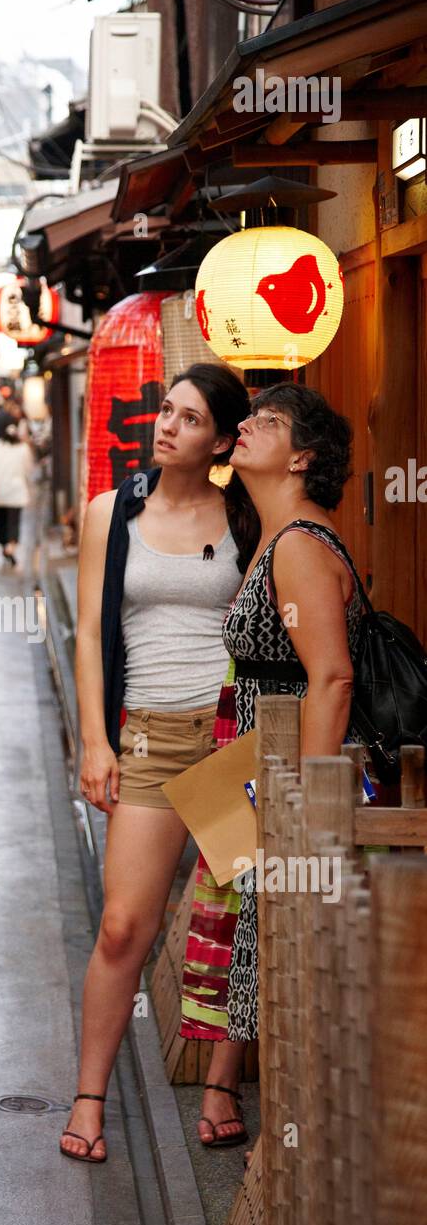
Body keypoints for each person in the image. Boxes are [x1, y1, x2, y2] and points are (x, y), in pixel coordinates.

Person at [60, 363, 257, 1163]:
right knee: (120, 927)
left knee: (235, 920)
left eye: (188, 416)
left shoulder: (247, 518)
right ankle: (87, 1097)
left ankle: (219, 1084)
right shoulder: (112, 512)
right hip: (141, 736)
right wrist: (94, 740)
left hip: (227, 740)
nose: (167, 424)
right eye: (165, 410)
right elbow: (84, 634)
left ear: (219, 439)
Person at [188, 382, 362, 1146]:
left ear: (302, 457)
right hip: (262, 757)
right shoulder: (275, 531)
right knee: (255, 926)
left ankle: (293, 1134)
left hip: (291, 765)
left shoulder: (297, 543)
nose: (247, 427)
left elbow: (331, 676)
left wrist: (305, 802)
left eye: (268, 423)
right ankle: (237, 1095)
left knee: (280, 935)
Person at [0, 419, 35, 567]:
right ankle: (10, 547)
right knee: (14, 520)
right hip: (16, 490)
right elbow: (28, 469)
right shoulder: (23, 448)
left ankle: (4, 544)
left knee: (1, 521)